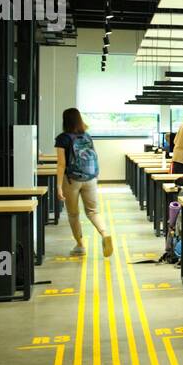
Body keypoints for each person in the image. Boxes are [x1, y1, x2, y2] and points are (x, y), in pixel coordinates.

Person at [55, 107, 112, 257]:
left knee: (73, 214)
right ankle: (105, 234)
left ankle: (80, 246)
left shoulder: (63, 138)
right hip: (90, 178)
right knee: (93, 211)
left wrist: (58, 186)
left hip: (72, 180)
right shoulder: (87, 136)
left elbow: (61, 164)